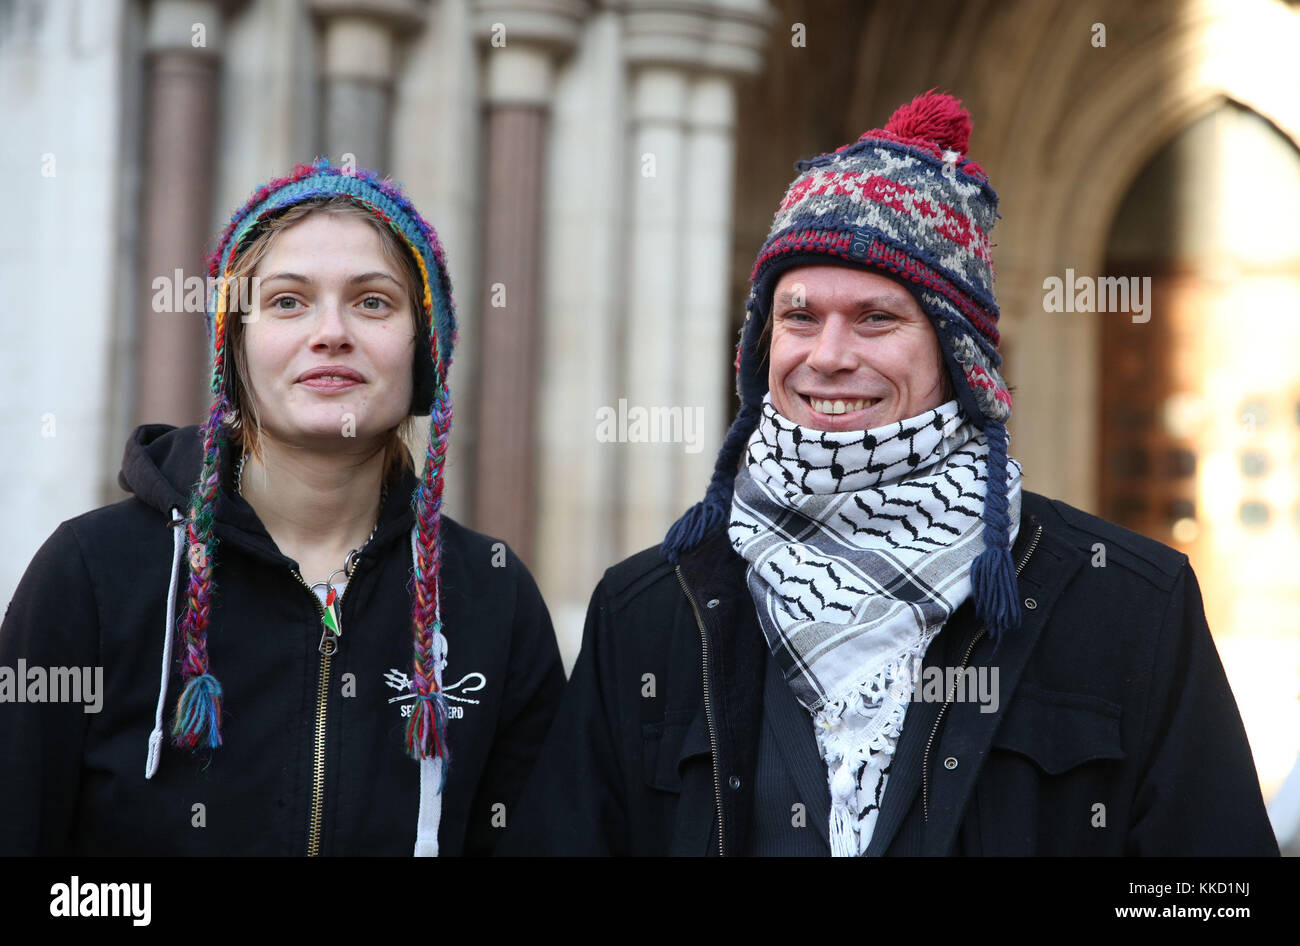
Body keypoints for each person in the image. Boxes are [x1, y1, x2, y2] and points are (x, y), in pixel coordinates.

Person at [501, 92, 1279, 856]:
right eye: (799, 317)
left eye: (876, 318)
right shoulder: (650, 611)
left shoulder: (1130, 605)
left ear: (958, 356)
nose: (829, 355)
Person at [0, 159, 564, 856]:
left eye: (373, 302)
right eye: (288, 301)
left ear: (424, 353)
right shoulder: (90, 574)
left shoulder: (494, 597)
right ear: (234, 347)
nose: (331, 332)